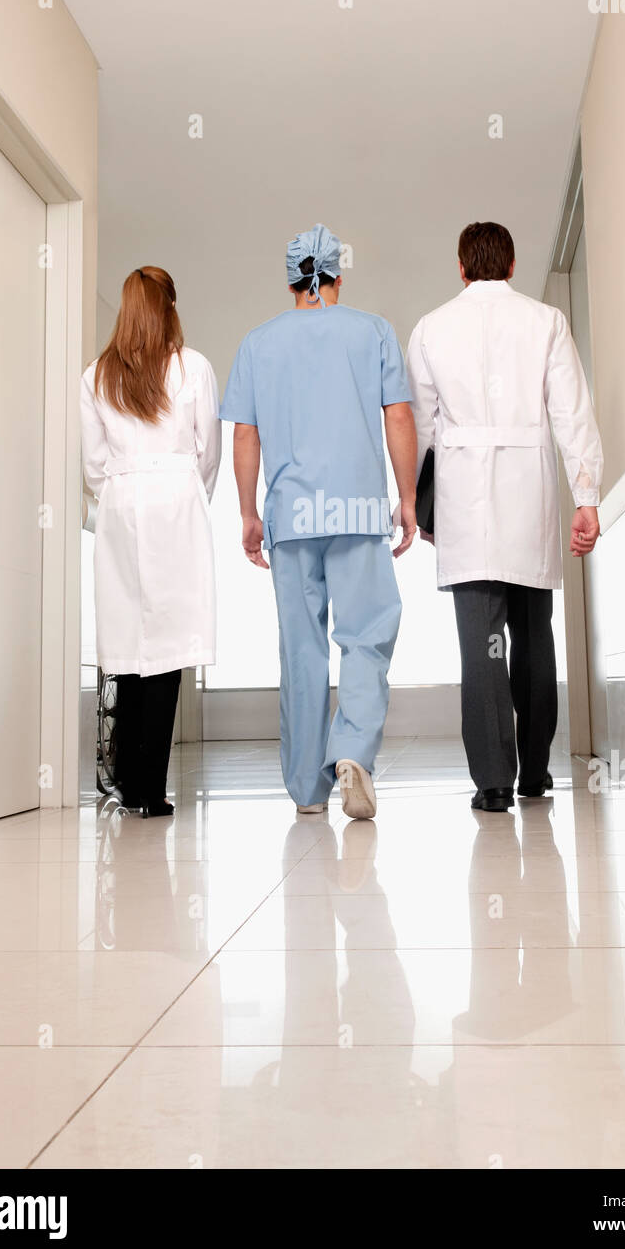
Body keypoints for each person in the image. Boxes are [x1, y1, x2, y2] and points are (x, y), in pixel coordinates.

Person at [220, 223, 417, 819]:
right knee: (367, 635)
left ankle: (308, 788)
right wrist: (406, 500)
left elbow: (247, 433)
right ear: (337, 273)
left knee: (301, 649)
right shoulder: (373, 331)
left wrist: (249, 513)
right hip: (356, 509)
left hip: (292, 514)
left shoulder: (258, 343)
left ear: (290, 279)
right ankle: (353, 750)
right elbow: (400, 418)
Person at [407, 222, 602, 813]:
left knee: (482, 643)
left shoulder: (431, 328)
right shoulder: (545, 322)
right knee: (533, 637)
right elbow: (572, 412)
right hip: (530, 494)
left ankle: (493, 782)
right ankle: (536, 773)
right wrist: (586, 493)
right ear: (512, 265)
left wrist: (419, 505)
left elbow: (419, 425)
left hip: (466, 500)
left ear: (461, 267)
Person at [80, 266, 221, 817]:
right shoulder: (194, 367)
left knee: (127, 638)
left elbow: (93, 467)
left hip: (118, 503)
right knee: (168, 643)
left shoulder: (94, 376)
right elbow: (207, 451)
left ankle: (128, 784)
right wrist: (186, 491)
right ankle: (151, 788)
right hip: (176, 501)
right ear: (169, 307)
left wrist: (121, 493)